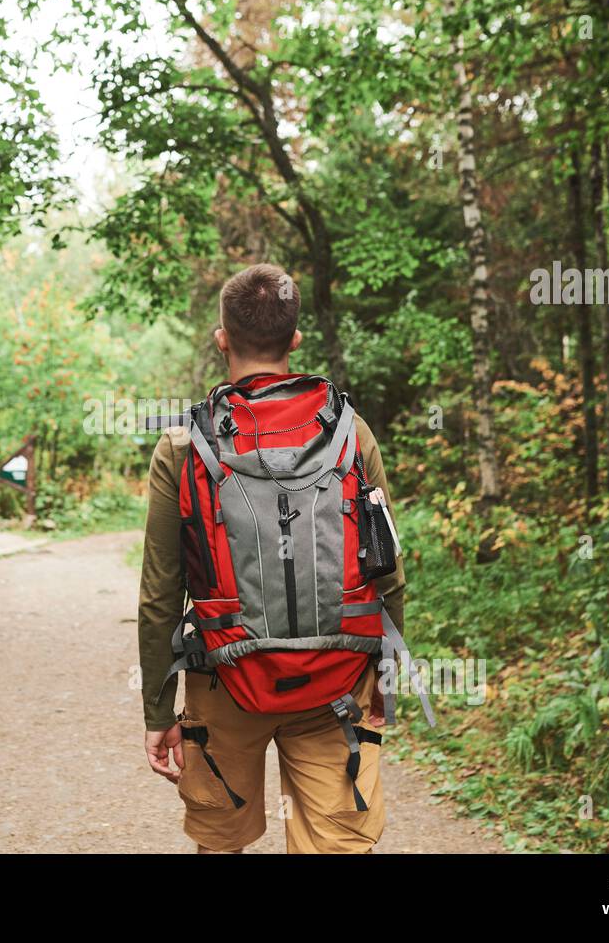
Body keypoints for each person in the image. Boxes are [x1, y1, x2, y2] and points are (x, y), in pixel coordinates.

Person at [137, 264, 408, 853]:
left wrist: (159, 713)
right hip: (337, 680)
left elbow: (161, 593)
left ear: (222, 339)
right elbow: (388, 572)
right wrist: (384, 681)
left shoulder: (184, 445)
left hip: (223, 678)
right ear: (295, 341)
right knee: (336, 844)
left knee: (221, 841)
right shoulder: (350, 432)